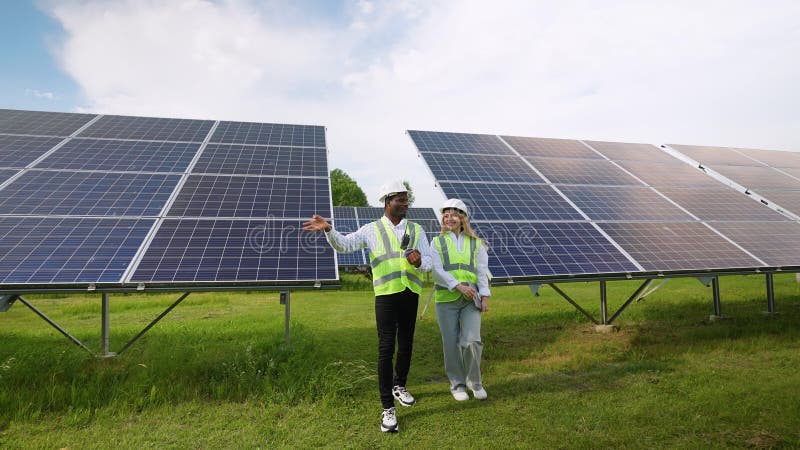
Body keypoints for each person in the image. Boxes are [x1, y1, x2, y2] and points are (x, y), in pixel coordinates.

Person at [303, 180, 432, 433]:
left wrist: (419, 263)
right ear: (388, 202)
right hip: (385, 296)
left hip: (410, 293)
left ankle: (400, 386)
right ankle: (387, 408)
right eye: (401, 199)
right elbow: (345, 245)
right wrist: (329, 230)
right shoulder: (371, 230)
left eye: (407, 199)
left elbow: (429, 262)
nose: (406, 203)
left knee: (406, 344)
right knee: (386, 348)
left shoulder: (417, 230)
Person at [430, 198, 490, 401]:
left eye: (454, 214)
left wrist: (485, 296)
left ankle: (475, 382)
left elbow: (482, 273)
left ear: (463, 218)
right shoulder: (436, 242)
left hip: (471, 299)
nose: (449, 218)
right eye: (445, 215)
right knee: (451, 343)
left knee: (472, 340)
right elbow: (436, 271)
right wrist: (457, 285)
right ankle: (457, 385)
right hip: (446, 299)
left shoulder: (476, 244)